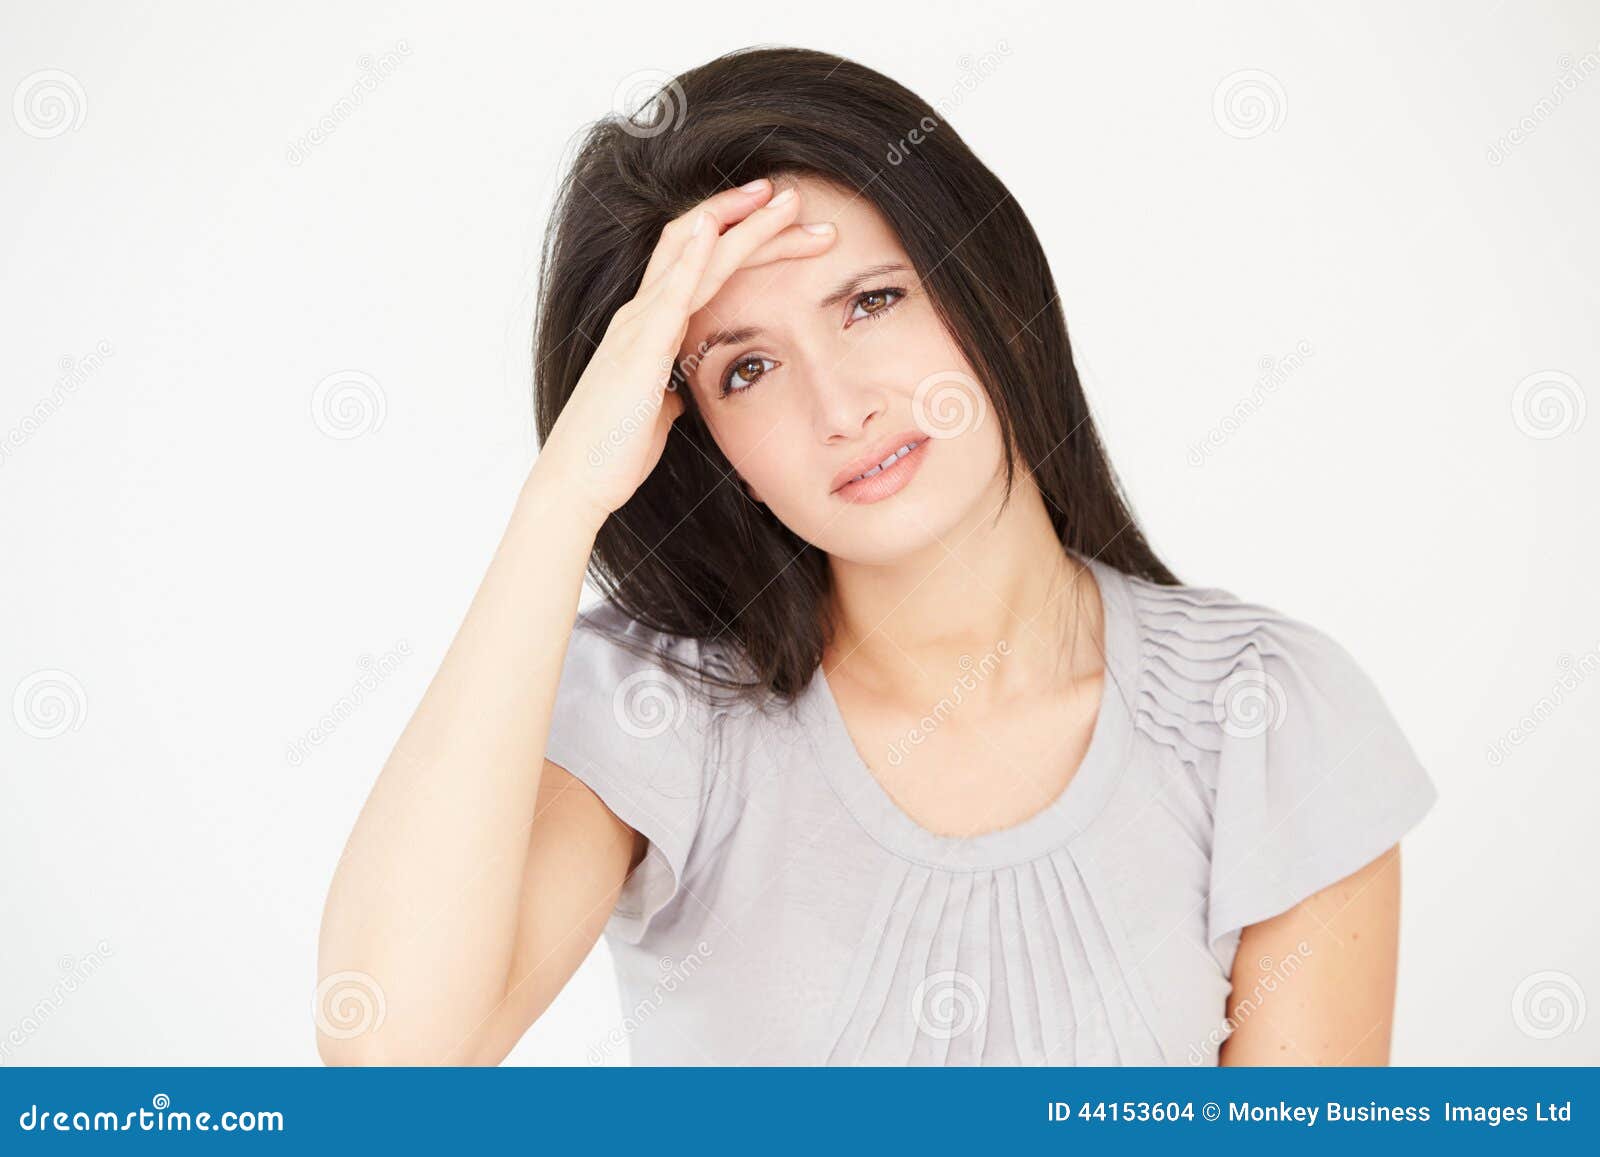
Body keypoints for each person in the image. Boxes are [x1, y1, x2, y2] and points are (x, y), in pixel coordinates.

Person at [316, 46, 1437, 1066]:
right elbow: (391, 1060)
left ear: (988, 286)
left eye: (871, 301)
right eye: (744, 369)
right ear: (699, 435)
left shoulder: (1264, 714)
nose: (840, 405)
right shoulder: (658, 707)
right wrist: (561, 497)